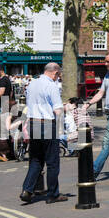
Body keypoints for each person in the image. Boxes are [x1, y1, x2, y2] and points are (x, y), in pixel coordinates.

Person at [21, 62, 67, 204]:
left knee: (36, 160)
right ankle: (53, 194)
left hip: (33, 123)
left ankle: (27, 190)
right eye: (58, 75)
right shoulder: (51, 86)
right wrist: (62, 130)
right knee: (52, 162)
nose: (57, 78)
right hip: (47, 124)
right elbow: (58, 110)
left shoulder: (32, 84)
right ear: (55, 73)